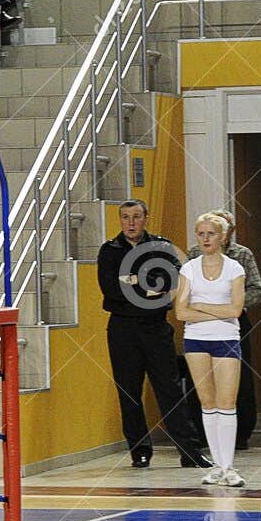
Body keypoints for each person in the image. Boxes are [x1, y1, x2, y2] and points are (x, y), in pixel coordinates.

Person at [96, 200, 210, 469]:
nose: (131, 222)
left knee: (170, 389)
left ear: (146, 218)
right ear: (120, 220)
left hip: (156, 327)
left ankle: (190, 451)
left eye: (136, 216)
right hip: (122, 329)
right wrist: (146, 287)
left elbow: (172, 280)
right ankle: (140, 451)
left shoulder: (161, 246)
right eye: (125, 217)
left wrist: (133, 282)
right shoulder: (110, 250)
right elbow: (112, 290)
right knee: (129, 391)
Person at [175, 211, 248, 487]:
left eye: (211, 234)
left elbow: (235, 310)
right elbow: (181, 312)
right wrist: (218, 311)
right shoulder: (189, 269)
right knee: (207, 403)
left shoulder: (235, 269)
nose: (205, 239)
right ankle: (218, 466)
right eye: (201, 234)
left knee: (226, 403)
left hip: (226, 339)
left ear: (223, 236)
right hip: (195, 340)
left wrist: (201, 306)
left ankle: (229, 467)